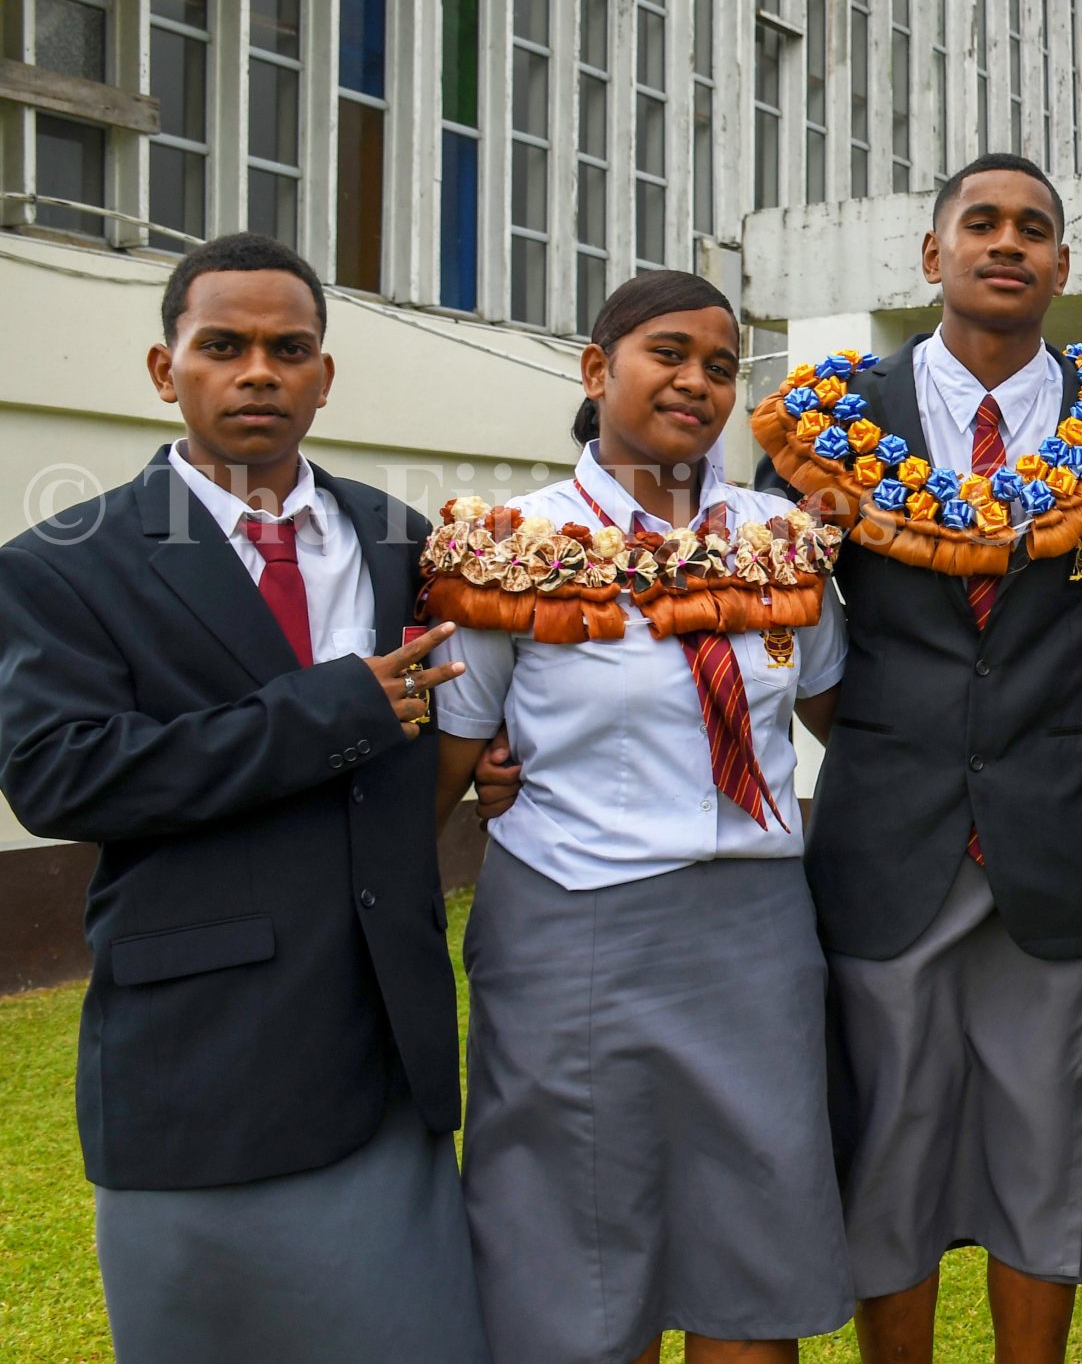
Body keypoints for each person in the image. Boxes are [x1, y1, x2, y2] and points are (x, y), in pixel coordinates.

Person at [0, 234, 488, 1364]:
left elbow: (417, 730)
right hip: (204, 1063)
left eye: (289, 348)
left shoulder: (401, 540)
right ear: (166, 370)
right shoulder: (65, 562)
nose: (258, 371)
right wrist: (334, 711)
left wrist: (474, 770)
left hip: (386, 1048)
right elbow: (60, 772)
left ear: (325, 375)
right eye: (223, 346)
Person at [764, 153, 1082, 1364]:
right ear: (931, 254)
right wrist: (917, 752)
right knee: (890, 1141)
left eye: (1033, 229)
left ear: (1062, 263)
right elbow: (785, 636)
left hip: (1060, 840)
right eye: (980, 223)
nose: (1008, 243)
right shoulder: (829, 422)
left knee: (1046, 1148)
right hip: (888, 838)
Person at [436, 270, 854, 1364]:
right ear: (594, 367)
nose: (697, 381)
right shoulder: (511, 545)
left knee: (751, 1246)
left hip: (758, 933)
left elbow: (841, 711)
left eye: (721, 366)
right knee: (572, 1257)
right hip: (575, 923)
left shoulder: (782, 539)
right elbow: (450, 750)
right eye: (668, 352)